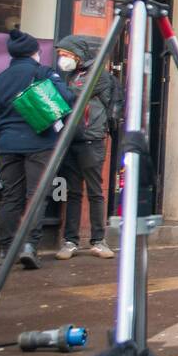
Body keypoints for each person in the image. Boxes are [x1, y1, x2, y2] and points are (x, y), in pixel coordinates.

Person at [0, 29, 72, 270]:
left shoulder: (0, 79)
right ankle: (29, 246)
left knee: (11, 196)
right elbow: (67, 99)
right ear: (35, 52)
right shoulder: (43, 73)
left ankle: (4, 249)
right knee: (36, 195)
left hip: (7, 145)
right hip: (40, 144)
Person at [54, 35, 119, 262]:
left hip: (91, 138)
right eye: (60, 55)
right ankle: (70, 240)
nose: (62, 59)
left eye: (66, 55)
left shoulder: (97, 76)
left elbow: (73, 98)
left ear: (79, 56)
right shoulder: (74, 75)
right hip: (73, 139)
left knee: (94, 191)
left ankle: (98, 240)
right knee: (73, 192)